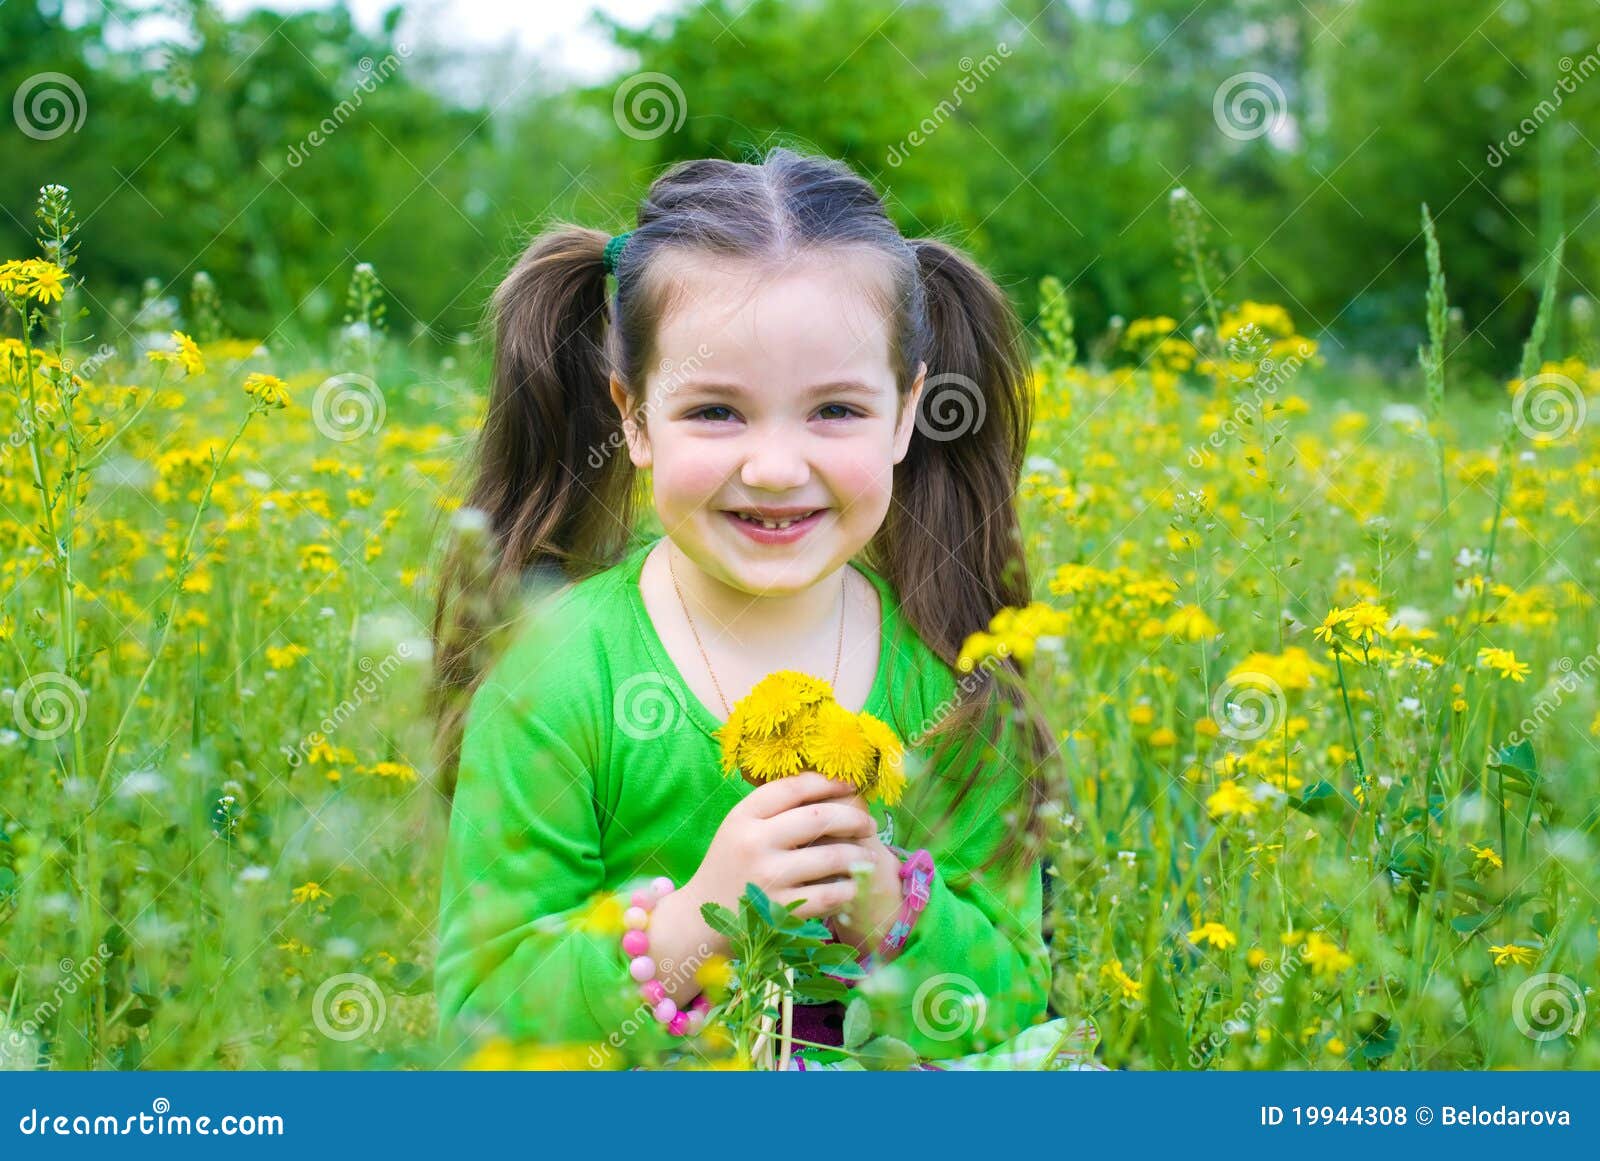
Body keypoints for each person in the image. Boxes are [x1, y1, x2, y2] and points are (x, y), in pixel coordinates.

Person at [430, 146, 1100, 1070]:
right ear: (633, 417)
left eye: (836, 410)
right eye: (715, 411)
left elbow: (1013, 995)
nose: (777, 468)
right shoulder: (558, 671)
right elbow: (482, 1016)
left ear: (906, 413)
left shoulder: (949, 673)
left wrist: (889, 907)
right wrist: (693, 927)